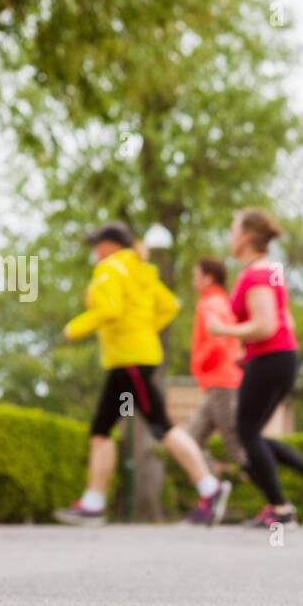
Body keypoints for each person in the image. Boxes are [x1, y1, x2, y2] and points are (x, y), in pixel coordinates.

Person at [54, 221, 231, 526]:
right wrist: (144, 330)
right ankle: (94, 501)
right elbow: (169, 307)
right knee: (102, 429)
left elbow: (108, 310)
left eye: (98, 243)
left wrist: (73, 328)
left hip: (128, 359)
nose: (95, 250)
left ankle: (210, 487)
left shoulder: (109, 269)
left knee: (159, 425)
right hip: (135, 357)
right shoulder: (141, 270)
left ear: (111, 245)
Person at [206, 209, 303, 529]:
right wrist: (250, 350)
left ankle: (281, 510)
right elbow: (285, 320)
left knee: (247, 434)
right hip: (279, 358)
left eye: (232, 229)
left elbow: (267, 325)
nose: (229, 237)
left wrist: (224, 331)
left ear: (247, 236)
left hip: (270, 358)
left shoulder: (256, 274)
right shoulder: (273, 271)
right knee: (253, 434)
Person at [187, 256, 248, 479]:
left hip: (222, 382)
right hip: (219, 383)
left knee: (236, 447)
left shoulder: (210, 304)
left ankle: (278, 497)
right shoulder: (223, 302)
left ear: (208, 278)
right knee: (190, 441)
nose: (193, 282)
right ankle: (213, 492)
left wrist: (199, 365)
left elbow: (217, 338)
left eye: (196, 276)